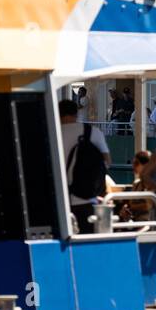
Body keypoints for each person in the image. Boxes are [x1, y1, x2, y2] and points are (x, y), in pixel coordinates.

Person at [59, 99, 112, 234]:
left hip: (57, 201)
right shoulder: (91, 132)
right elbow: (107, 162)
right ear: (76, 114)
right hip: (86, 199)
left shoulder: (50, 131)